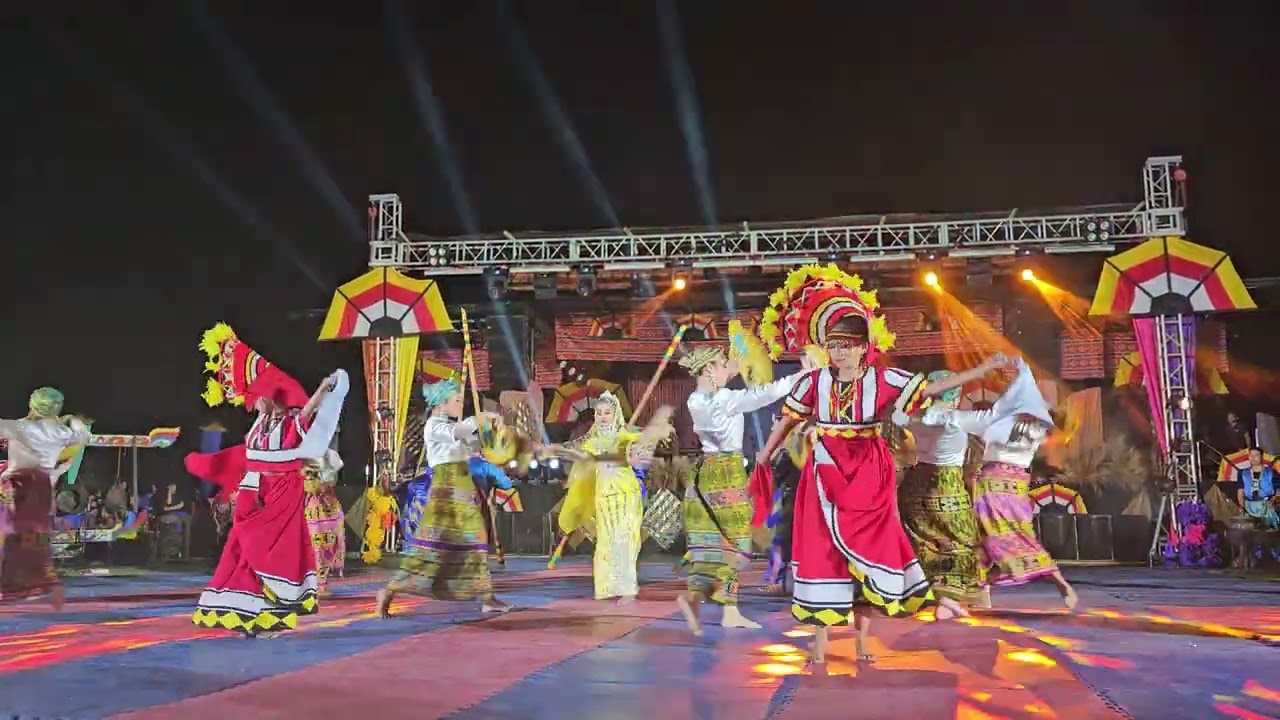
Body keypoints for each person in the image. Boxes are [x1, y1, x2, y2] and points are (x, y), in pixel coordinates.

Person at [756, 265, 1002, 663]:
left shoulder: (883, 379)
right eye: (834, 345)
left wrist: (980, 370)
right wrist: (766, 454)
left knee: (869, 556)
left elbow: (931, 387)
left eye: (848, 345)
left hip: (869, 471)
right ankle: (818, 647)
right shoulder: (813, 382)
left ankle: (861, 643)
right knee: (823, 552)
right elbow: (788, 420)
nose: (840, 352)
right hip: (826, 470)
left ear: (862, 347)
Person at [186, 323, 349, 637]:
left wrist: (324, 388)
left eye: (258, 398)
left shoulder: (290, 424)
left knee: (271, 554)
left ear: (271, 400)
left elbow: (308, 411)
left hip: (281, 493)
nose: (254, 402)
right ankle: (249, 615)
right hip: (255, 491)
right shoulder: (258, 426)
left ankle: (272, 616)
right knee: (242, 552)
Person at [920, 357, 1078, 611]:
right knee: (1011, 536)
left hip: (992, 486)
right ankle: (988, 595)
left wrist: (926, 407)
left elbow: (946, 418)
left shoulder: (994, 421)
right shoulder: (1037, 428)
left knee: (985, 539)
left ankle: (977, 596)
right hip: (1016, 486)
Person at [675, 345, 802, 635]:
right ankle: (729, 612)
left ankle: (694, 598)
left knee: (711, 547)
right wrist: (804, 375)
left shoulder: (695, 400)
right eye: (720, 365)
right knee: (739, 547)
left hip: (703, 474)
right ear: (709, 370)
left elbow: (724, 377)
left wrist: (736, 362)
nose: (726, 370)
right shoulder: (727, 399)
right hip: (727, 474)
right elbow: (767, 393)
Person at [377, 378, 509, 616]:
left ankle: (488, 597)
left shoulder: (451, 425)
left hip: (464, 489)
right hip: (444, 491)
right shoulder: (433, 426)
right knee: (431, 547)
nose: (461, 404)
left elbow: (473, 441)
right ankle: (389, 591)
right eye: (456, 400)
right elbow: (459, 431)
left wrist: (490, 427)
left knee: (476, 541)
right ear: (441, 403)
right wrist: (482, 417)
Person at [552, 392, 674, 605]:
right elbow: (576, 450)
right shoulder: (592, 440)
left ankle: (627, 589)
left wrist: (658, 432)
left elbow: (643, 438)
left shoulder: (623, 434)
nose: (603, 416)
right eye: (599, 413)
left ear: (615, 413)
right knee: (606, 542)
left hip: (626, 493)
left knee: (625, 540)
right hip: (604, 495)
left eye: (607, 412)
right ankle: (606, 587)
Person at [900, 370, 984, 618]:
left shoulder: (915, 417)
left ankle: (925, 594)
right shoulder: (958, 419)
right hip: (946, 483)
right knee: (964, 541)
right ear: (956, 395)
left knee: (924, 541)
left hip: (916, 484)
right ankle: (948, 598)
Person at [0, 387, 91, 608]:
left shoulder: (17, 426)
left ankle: (10, 585)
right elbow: (84, 436)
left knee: (10, 532)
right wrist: (74, 420)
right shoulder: (61, 432)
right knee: (33, 535)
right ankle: (28, 584)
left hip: (13, 482)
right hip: (38, 485)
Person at [303, 441, 345, 596]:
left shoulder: (331, 455)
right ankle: (316, 584)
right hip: (313, 506)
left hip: (330, 504)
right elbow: (305, 484)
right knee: (315, 545)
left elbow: (333, 480)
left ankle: (323, 583)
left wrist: (325, 485)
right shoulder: (303, 456)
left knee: (331, 544)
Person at [1237, 447, 1279, 529]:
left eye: (1256, 455)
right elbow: (1240, 491)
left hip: (1267, 507)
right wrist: (1242, 506)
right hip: (1249, 507)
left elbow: (1278, 490)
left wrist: (1273, 501)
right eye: (1251, 455)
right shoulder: (1243, 473)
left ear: (1262, 457)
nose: (1253, 458)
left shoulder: (1271, 472)